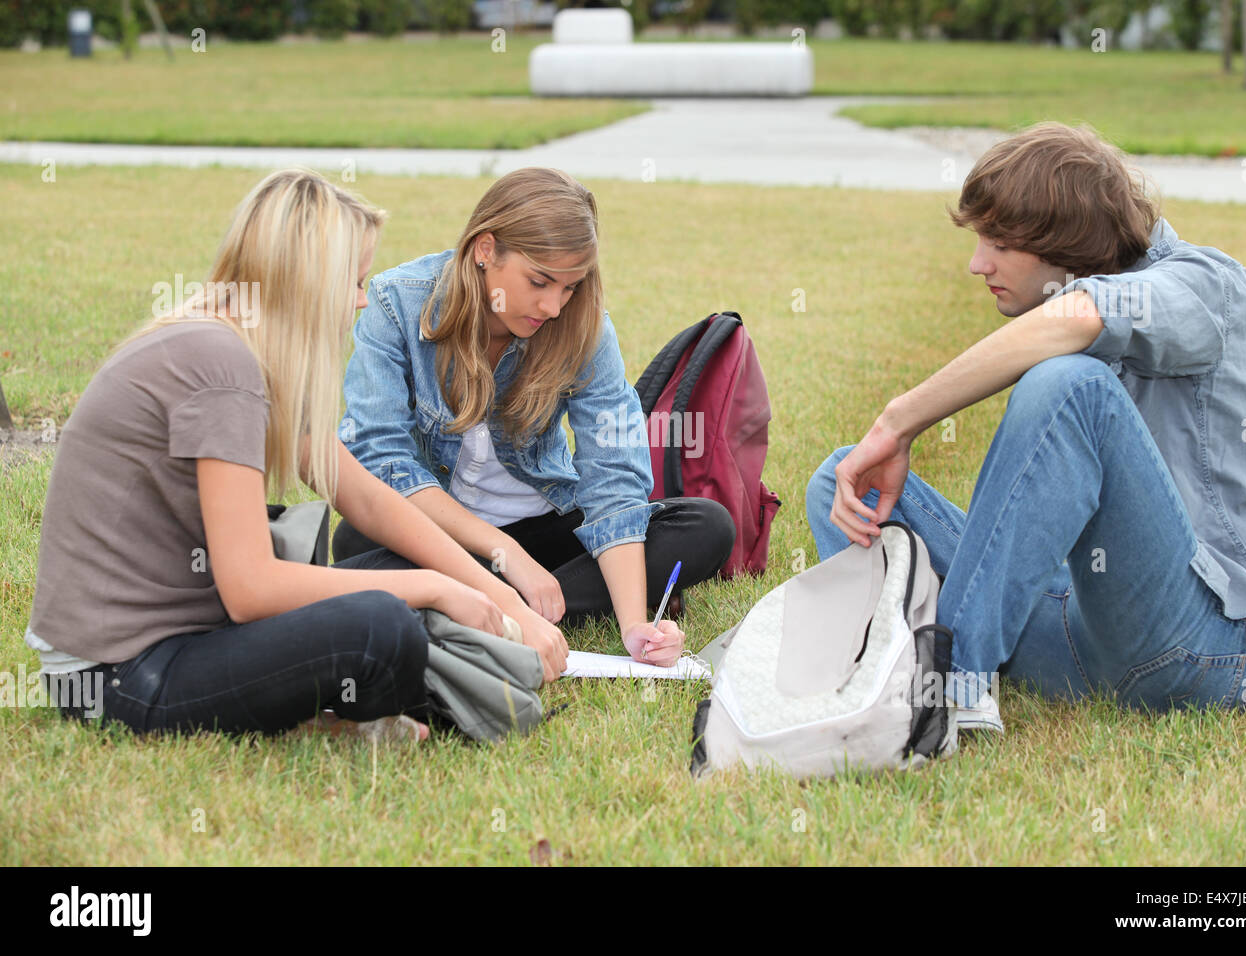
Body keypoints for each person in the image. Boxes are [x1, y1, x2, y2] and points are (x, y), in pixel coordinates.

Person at [25, 168, 567, 743]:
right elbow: (251, 588)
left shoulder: (242, 342)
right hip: (118, 675)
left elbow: (364, 497)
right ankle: (339, 715)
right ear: (306, 280)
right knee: (383, 626)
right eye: (354, 282)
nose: (362, 301)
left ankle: (345, 705)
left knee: (402, 567)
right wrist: (439, 591)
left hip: (194, 632)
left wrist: (494, 592)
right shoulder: (221, 366)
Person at [805, 123, 1246, 731]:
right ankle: (885, 667)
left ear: (1065, 242)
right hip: (1084, 633)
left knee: (1068, 385)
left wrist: (900, 421)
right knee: (843, 478)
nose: (976, 263)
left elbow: (1079, 317)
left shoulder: (1208, 286)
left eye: (998, 243)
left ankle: (952, 687)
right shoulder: (1075, 311)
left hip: (1209, 649)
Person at [333, 167, 734, 667]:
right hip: (447, 532)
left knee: (706, 526)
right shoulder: (397, 303)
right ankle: (518, 600)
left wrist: (633, 626)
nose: (552, 306)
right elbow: (383, 460)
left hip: (549, 526)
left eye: (569, 287)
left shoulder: (583, 325)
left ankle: (487, 609)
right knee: (354, 541)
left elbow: (612, 472)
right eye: (539, 281)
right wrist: (507, 556)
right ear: (486, 249)